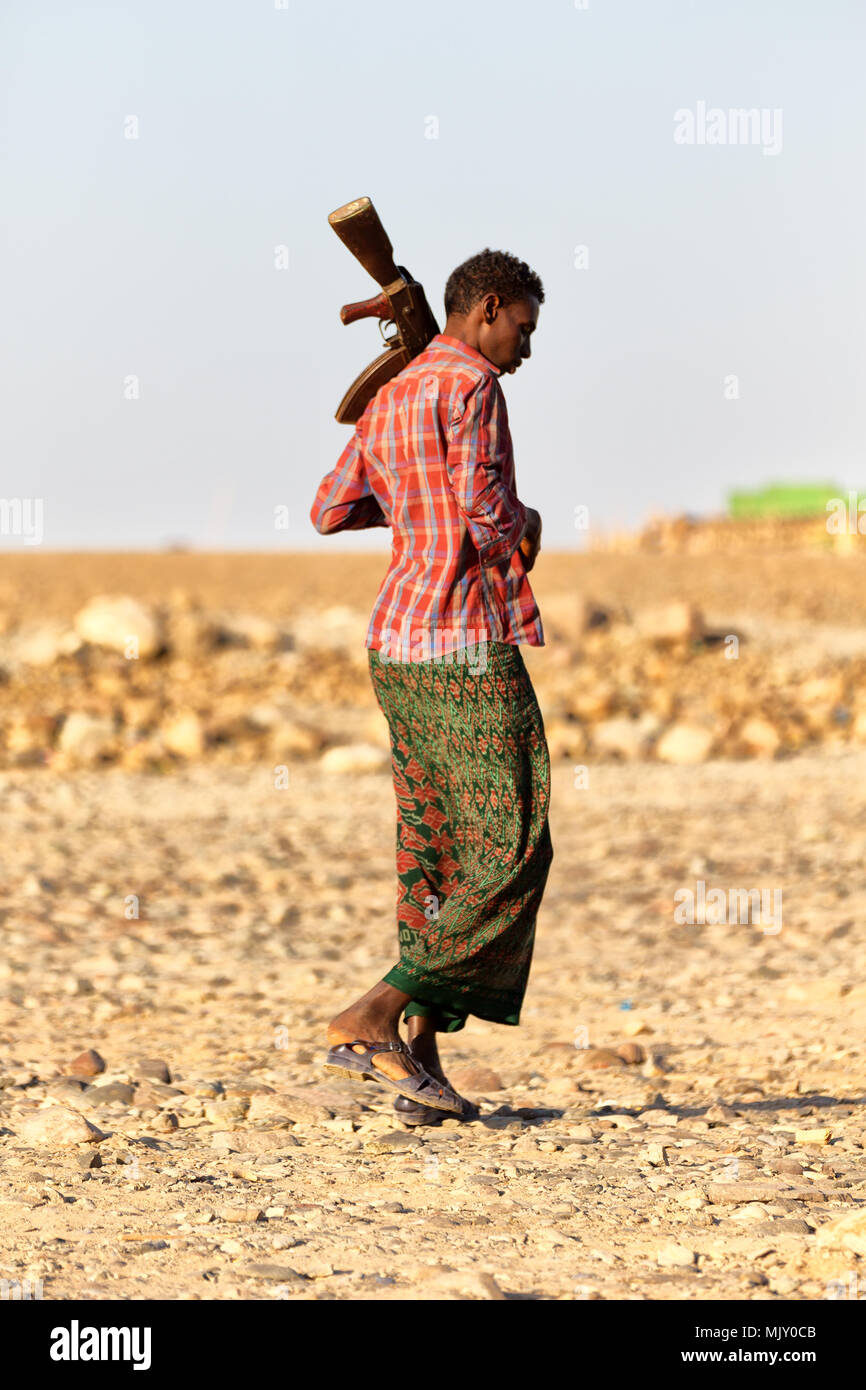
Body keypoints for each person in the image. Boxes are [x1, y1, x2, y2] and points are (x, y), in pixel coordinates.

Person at [310, 248, 553, 1122]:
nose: (526, 350)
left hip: (397, 644)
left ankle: (418, 1062)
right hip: (462, 642)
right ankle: (373, 1013)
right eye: (522, 328)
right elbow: (490, 520)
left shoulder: (394, 394)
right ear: (487, 309)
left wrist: (413, 498)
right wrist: (526, 525)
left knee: (433, 848)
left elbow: (331, 509)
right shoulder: (473, 390)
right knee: (513, 845)